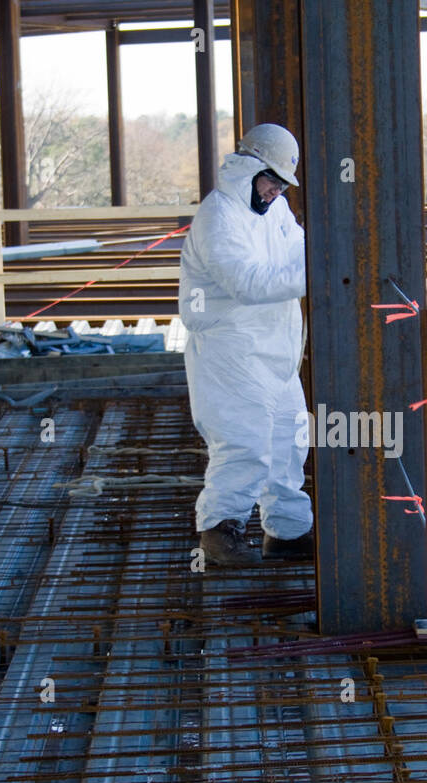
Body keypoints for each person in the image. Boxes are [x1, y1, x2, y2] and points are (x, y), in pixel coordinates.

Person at [178, 123, 314, 567]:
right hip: (229, 352)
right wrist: (320, 271)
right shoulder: (218, 215)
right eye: (270, 180)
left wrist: (323, 260)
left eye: (281, 183)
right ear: (247, 168)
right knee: (244, 443)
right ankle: (219, 532)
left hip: (275, 353)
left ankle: (288, 533)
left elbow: (302, 251)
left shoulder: (275, 213)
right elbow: (246, 281)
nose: (275, 190)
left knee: (289, 441)